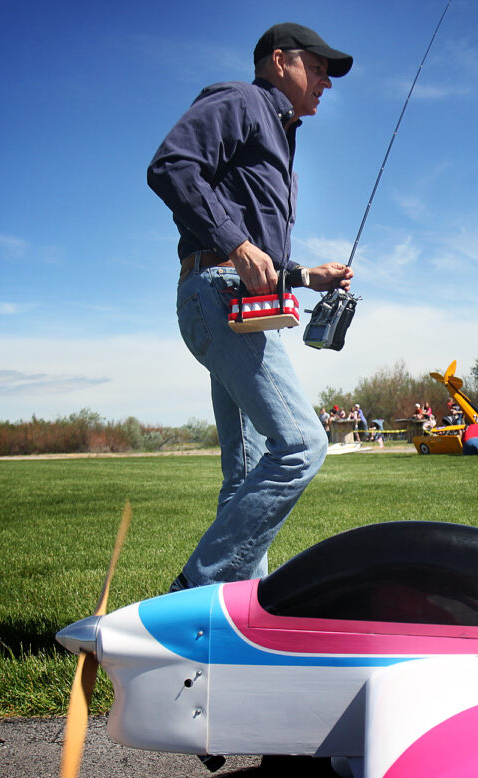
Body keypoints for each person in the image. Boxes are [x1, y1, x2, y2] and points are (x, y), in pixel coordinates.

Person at [148, 22, 355, 591]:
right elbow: (171, 166)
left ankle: (229, 614)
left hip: (235, 300)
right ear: (279, 60)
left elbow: (257, 256)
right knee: (302, 445)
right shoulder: (241, 100)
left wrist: (304, 276)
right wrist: (236, 244)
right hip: (218, 293)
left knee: (246, 474)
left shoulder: (282, 138)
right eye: (318, 68)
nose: (326, 83)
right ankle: (192, 595)